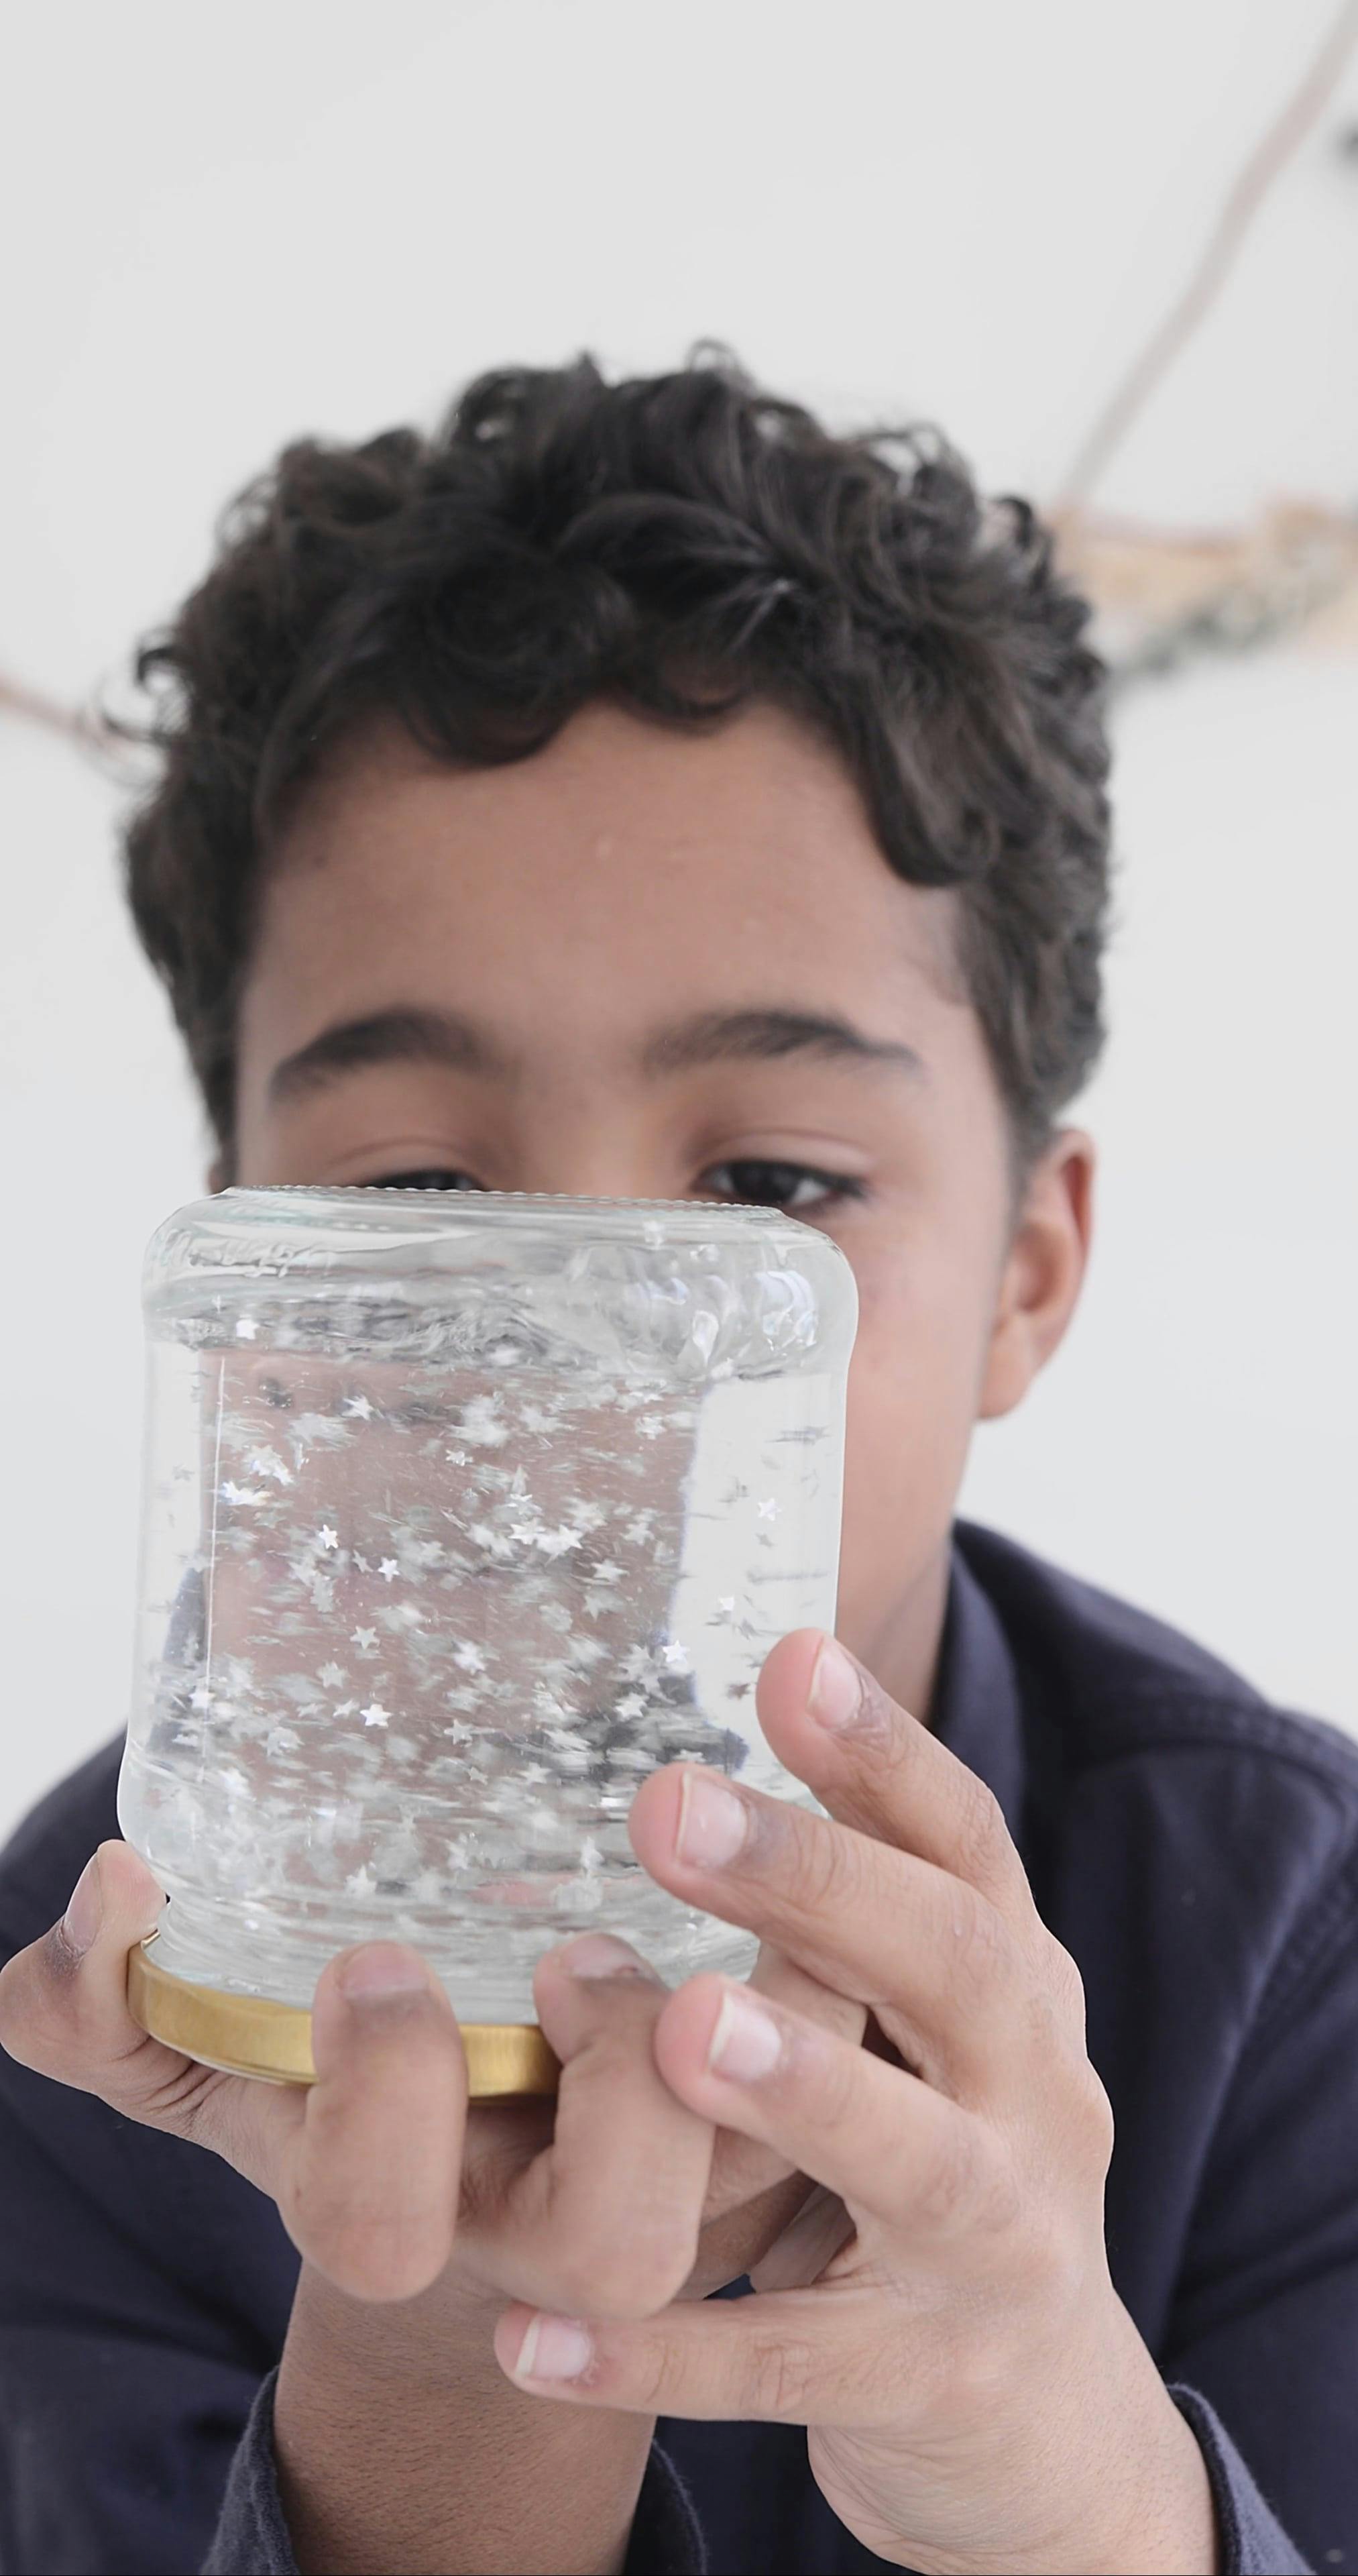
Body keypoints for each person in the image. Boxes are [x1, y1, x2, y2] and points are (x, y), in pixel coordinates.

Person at [0, 352, 1351, 2576]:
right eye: (422, 1211)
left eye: (775, 1188)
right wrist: (436, 2396)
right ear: (238, 1262)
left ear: (1024, 1276)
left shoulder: (1295, 1952)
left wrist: (1077, 2490)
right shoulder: (89, 2007)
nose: (586, 1369)